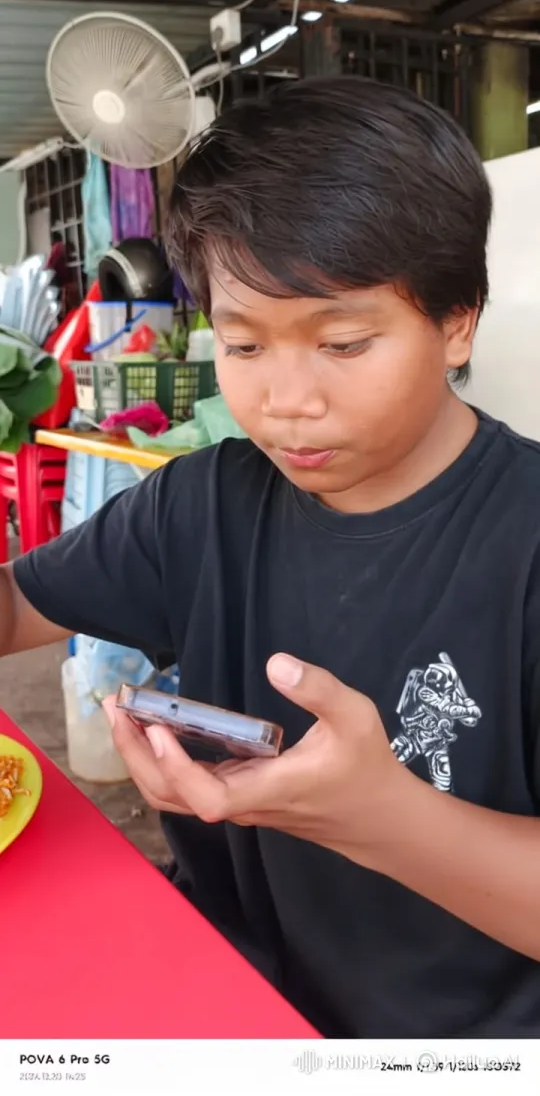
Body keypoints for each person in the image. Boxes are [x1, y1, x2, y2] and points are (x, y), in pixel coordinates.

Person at [3, 78, 540, 1039]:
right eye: (244, 345)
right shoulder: (201, 504)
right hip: (219, 994)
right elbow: (16, 609)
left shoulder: (526, 541)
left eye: (344, 343)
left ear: (458, 319)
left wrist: (381, 817)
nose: (287, 401)